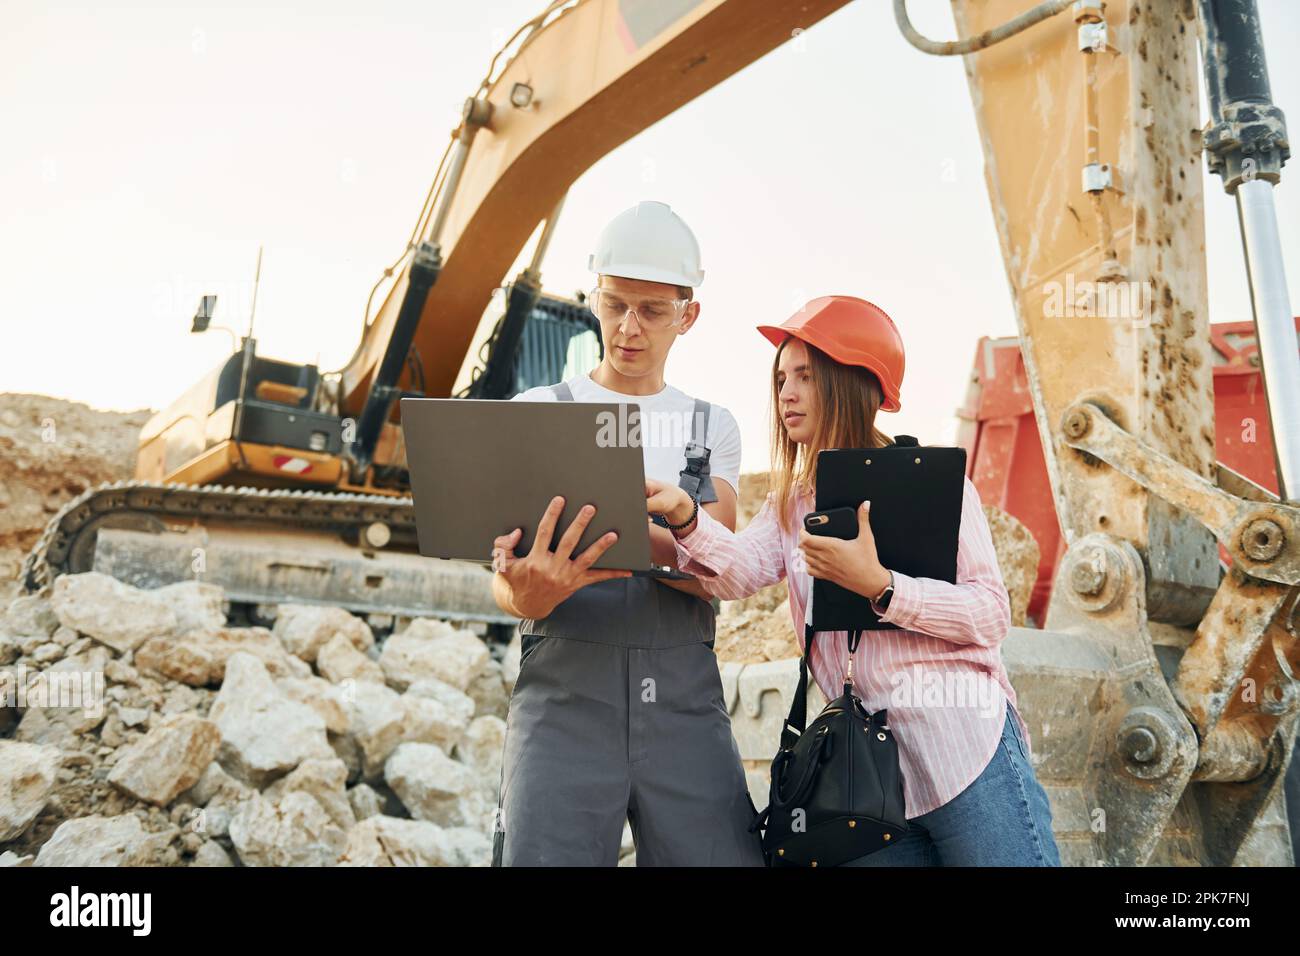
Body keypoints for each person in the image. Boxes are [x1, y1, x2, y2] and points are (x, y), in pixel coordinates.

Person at [645, 295, 1061, 866]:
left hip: (964, 752)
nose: (785, 393)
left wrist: (882, 586)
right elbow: (737, 572)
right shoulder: (792, 503)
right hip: (865, 783)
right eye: (781, 378)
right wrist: (686, 518)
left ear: (852, 383)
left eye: (806, 377)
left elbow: (990, 614)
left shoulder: (934, 485)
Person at [487, 201, 765, 867]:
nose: (628, 328)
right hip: (563, 694)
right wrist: (527, 595)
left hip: (683, 701)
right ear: (594, 299)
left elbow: (718, 562)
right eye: (614, 305)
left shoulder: (710, 426)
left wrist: (623, 532)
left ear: (687, 314)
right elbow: (504, 583)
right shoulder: (537, 412)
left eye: (652, 310)